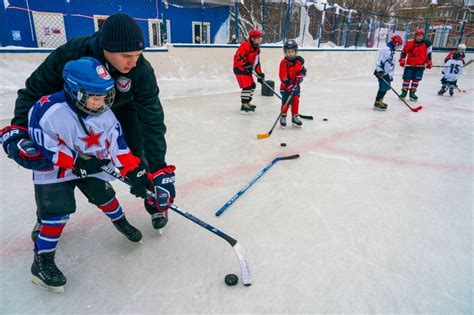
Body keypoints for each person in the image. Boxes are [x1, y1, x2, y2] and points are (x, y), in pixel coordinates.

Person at [0, 13, 175, 241]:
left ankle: (154, 199)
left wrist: (160, 168)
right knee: (54, 163)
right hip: (73, 111)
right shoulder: (72, 54)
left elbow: (152, 120)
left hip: (121, 110)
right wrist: (19, 131)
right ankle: (46, 216)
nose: (134, 62)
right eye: (126, 56)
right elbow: (33, 91)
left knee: (137, 154)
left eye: (138, 55)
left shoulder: (140, 71)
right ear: (106, 47)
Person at [28, 57, 152, 292]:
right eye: (94, 97)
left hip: (91, 164)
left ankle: (120, 221)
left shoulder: (104, 113)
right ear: (74, 91)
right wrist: (76, 162)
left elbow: (118, 145)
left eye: (105, 96)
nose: (101, 102)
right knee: (57, 213)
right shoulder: (47, 110)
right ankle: (42, 261)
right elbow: (46, 147)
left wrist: (135, 172)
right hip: (55, 169)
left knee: (104, 195)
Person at [233, 29, 265, 113]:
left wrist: (260, 74)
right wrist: (246, 64)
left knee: (252, 85)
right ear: (252, 39)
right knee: (247, 86)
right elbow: (238, 57)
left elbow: (256, 63)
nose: (259, 40)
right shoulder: (245, 45)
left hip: (247, 69)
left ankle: (247, 102)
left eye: (260, 39)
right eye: (258, 38)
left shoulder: (256, 49)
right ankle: (244, 105)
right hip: (239, 68)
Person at [279, 39, 306, 128]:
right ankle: (283, 116)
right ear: (285, 52)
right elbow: (283, 77)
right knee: (286, 102)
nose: (290, 53)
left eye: (292, 51)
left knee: (295, 101)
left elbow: (303, 71)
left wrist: (300, 77)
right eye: (288, 52)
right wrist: (290, 86)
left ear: (296, 52)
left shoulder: (298, 62)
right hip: (285, 87)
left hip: (296, 87)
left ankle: (295, 116)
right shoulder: (284, 63)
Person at [399, 29, 432, 101]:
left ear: (423, 36)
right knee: (406, 79)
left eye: (421, 36)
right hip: (410, 65)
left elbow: (429, 54)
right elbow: (404, 52)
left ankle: (412, 93)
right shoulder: (410, 43)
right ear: (415, 36)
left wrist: (429, 62)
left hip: (420, 66)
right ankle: (404, 92)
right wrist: (402, 59)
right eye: (418, 35)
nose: (419, 37)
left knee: (416, 80)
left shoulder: (427, 44)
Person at [373, 35, 404, 111]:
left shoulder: (391, 50)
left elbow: (390, 64)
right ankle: (377, 102)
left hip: (387, 73)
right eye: (399, 44)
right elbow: (380, 61)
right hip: (382, 72)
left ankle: (380, 100)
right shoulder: (386, 50)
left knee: (386, 87)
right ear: (395, 43)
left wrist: (390, 75)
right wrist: (379, 71)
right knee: (383, 87)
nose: (399, 47)